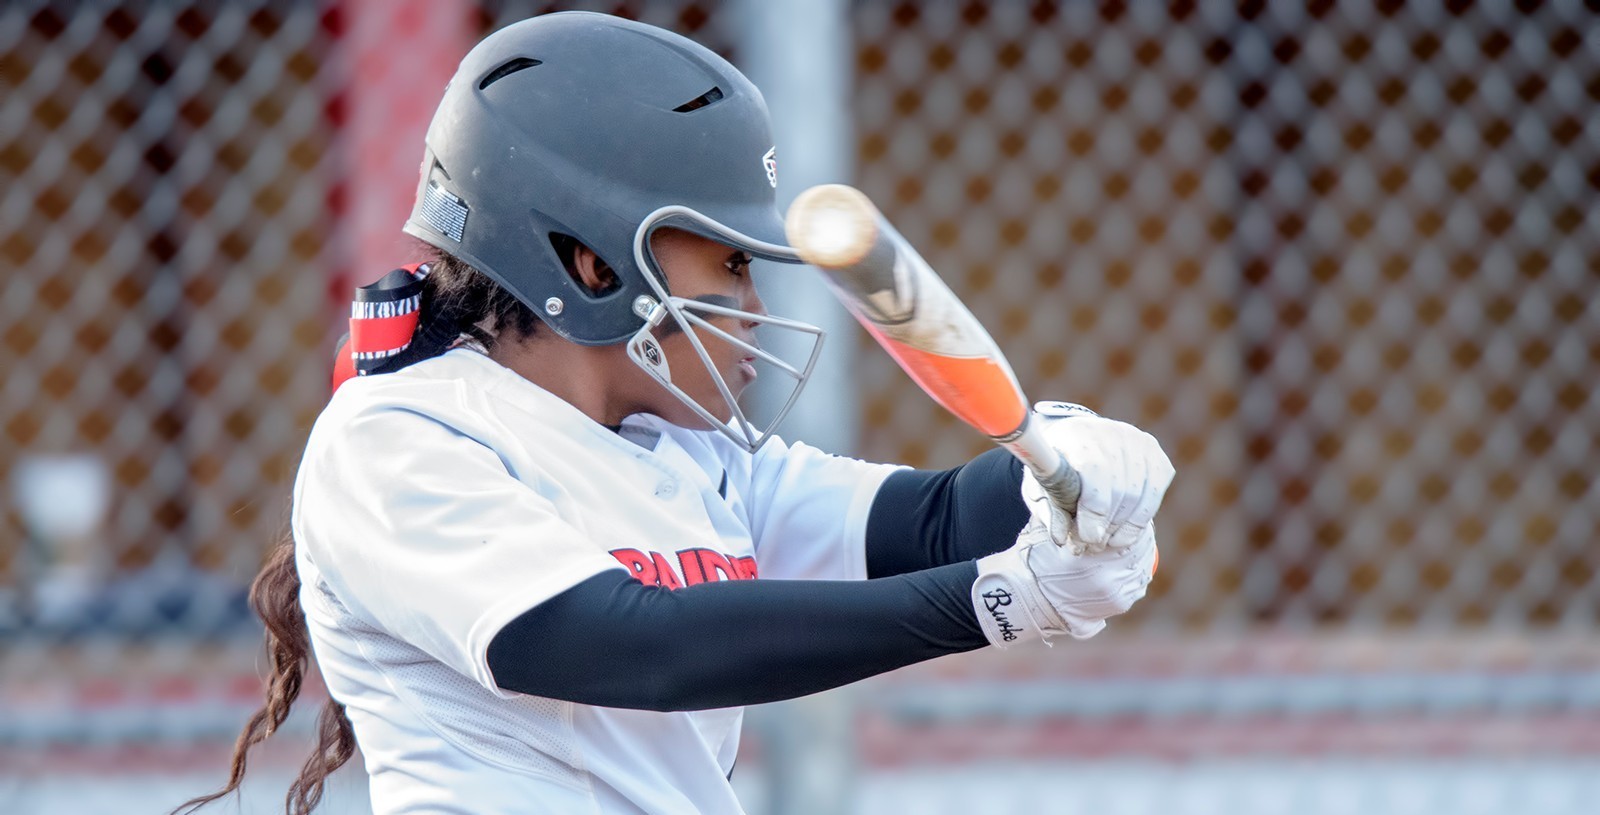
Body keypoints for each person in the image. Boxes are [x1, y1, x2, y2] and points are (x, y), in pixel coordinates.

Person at [177, 11, 1173, 815]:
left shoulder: (690, 451)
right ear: (591, 260)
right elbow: (635, 644)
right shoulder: (401, 437)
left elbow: (934, 521)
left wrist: (1068, 467)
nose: (750, 301)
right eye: (728, 260)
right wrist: (995, 602)